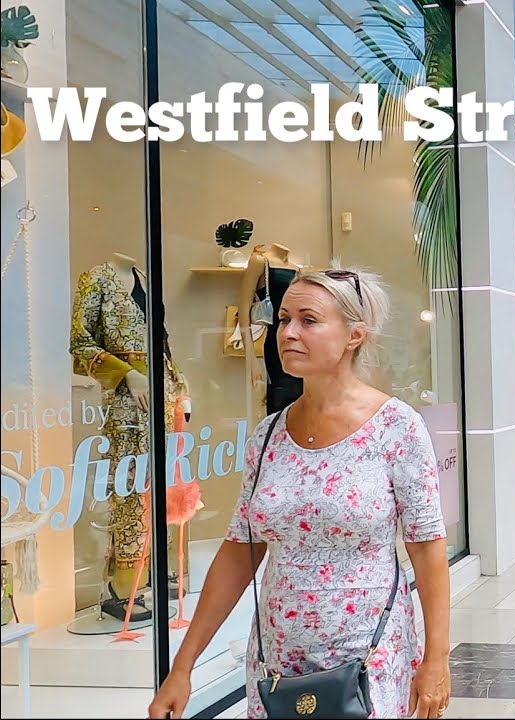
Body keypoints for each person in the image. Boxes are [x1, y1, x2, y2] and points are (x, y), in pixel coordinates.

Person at [148, 268, 451, 720]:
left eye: (309, 320)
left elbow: (427, 547)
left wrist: (436, 659)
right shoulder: (269, 435)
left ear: (354, 335)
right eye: (284, 319)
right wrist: (183, 667)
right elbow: (240, 551)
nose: (288, 332)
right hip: (277, 664)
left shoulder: (397, 427)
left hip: (367, 658)